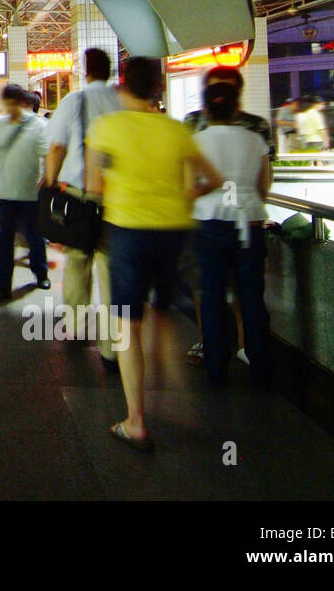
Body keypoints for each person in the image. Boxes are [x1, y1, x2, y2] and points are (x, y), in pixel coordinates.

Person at [86, 57, 223, 451]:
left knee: (127, 325)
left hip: (128, 232)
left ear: (122, 85)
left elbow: (94, 185)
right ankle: (171, 389)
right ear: (157, 89)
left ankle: (137, 421)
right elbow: (211, 179)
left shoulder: (105, 127)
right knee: (162, 312)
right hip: (175, 232)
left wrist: (128, 187)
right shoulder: (175, 128)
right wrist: (181, 196)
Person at [192, 82, 273, 388]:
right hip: (249, 225)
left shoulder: (197, 142)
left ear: (207, 109)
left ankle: (216, 370)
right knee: (252, 299)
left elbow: (189, 185)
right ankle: (261, 369)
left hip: (209, 225)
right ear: (237, 107)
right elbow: (263, 189)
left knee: (212, 298)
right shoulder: (255, 140)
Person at [44, 47, 120, 368]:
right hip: (118, 200)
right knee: (111, 270)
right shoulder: (122, 103)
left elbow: (57, 145)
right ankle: (112, 350)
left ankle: (76, 330)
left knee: (77, 262)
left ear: (85, 70)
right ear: (109, 70)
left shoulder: (75, 101)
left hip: (80, 197)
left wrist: (49, 181)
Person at [0, 84, 50, 302]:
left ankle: (41, 274)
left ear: (21, 103)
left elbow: (49, 154)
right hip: (6, 194)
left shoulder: (38, 125)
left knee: (35, 238)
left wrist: (47, 179)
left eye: (12, 104)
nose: (9, 108)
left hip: (31, 194)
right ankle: (1, 287)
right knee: (4, 242)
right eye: (6, 104)